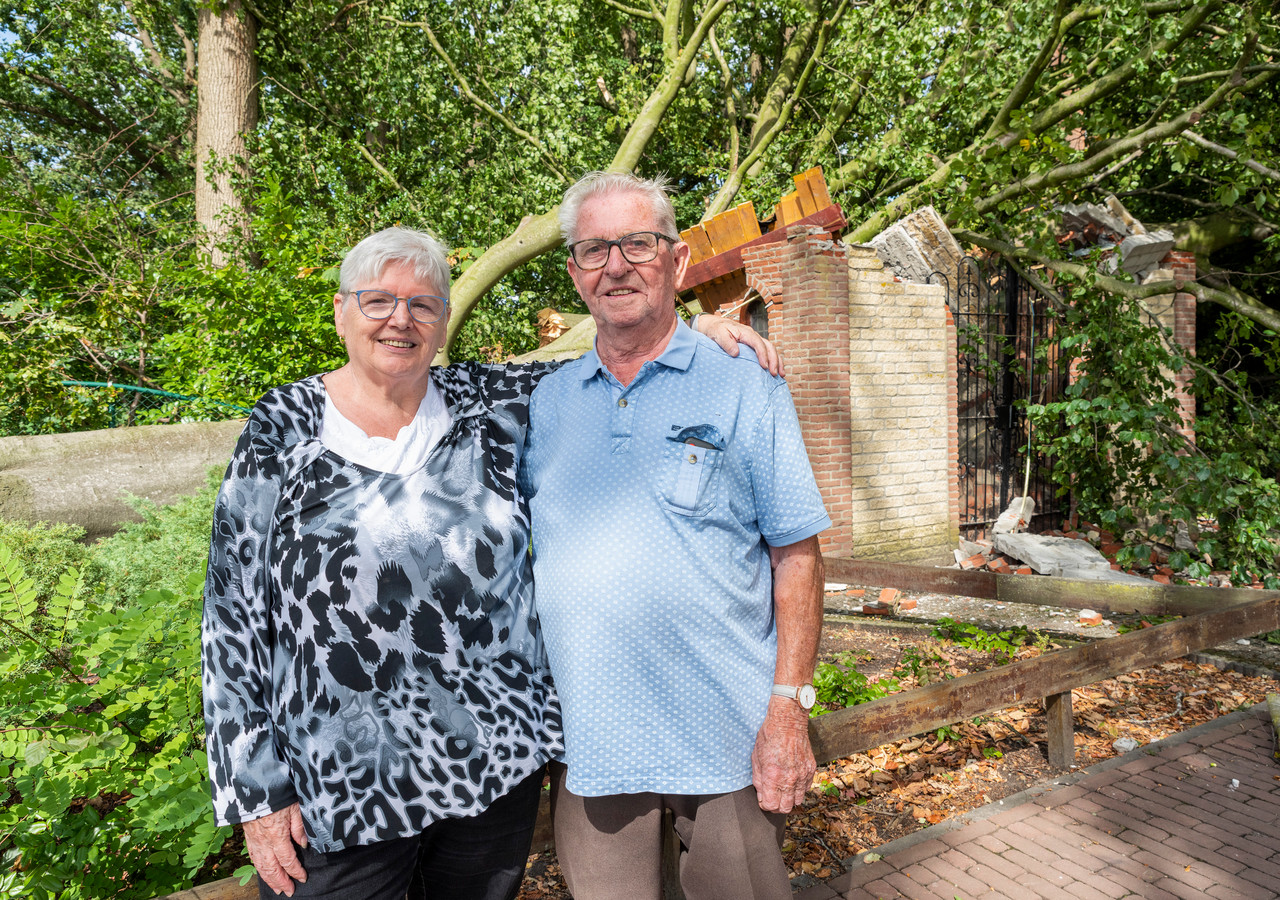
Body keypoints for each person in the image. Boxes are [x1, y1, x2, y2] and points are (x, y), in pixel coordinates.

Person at [201, 225, 776, 900]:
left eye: (423, 304)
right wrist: (255, 791)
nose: (400, 319)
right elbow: (231, 613)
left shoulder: (490, 404)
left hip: (492, 774)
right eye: (377, 300)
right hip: (342, 791)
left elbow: (617, 363)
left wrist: (695, 331)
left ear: (444, 320)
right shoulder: (286, 424)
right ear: (340, 310)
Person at [522, 172, 830, 900]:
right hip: (594, 747)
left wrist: (789, 709)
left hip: (727, 741)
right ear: (574, 274)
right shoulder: (544, 400)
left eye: (638, 242)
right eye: (594, 249)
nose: (617, 264)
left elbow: (797, 555)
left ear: (678, 262)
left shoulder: (743, 382)